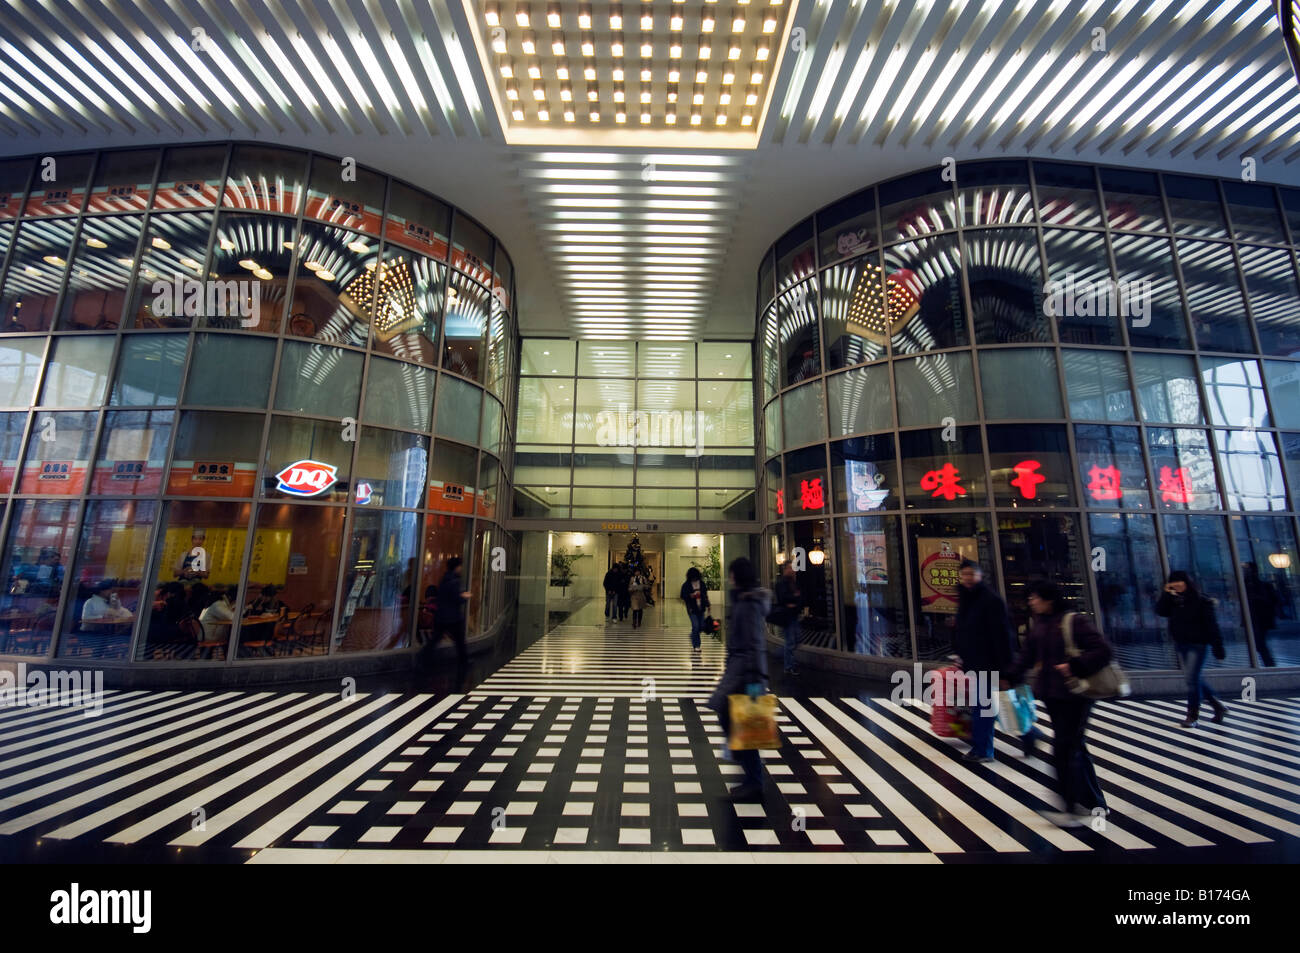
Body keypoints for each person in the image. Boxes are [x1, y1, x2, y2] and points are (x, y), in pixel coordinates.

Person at [1005, 581, 1111, 828]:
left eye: (1035, 597)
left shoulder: (1074, 621)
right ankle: (1094, 803)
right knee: (1075, 747)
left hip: (1076, 695)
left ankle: (1071, 807)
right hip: (1054, 695)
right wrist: (1010, 676)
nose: (1031, 601)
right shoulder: (1040, 625)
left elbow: (1103, 650)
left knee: (1065, 749)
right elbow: (1027, 656)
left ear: (1048, 600)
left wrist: (1074, 665)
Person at [707, 556, 771, 801]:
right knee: (737, 721)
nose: (729, 578)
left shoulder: (749, 605)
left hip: (747, 673)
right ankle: (747, 767)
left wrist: (756, 679)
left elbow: (753, 643)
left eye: (732, 573)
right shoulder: (745, 601)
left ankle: (752, 776)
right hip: (743, 671)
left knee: (743, 724)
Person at [953, 559, 1013, 764]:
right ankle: (1030, 733)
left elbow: (1002, 636)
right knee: (989, 706)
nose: (968, 578)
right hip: (974, 661)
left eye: (972, 574)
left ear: (980, 576)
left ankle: (983, 750)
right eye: (964, 574)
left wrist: (1005, 670)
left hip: (989, 663)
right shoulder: (965, 598)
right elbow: (963, 630)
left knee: (983, 706)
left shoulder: (990, 600)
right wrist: (960, 655)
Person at [1156, 570, 1227, 726]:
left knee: (1191, 679)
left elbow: (1212, 626)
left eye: (1179, 582)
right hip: (1181, 643)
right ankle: (1217, 706)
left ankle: (1192, 715)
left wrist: (1218, 648)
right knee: (1194, 678)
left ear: (1187, 582)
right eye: (1172, 582)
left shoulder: (1202, 601)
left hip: (1198, 644)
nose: (1176, 585)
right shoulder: (1174, 601)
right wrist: (1166, 594)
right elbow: (1160, 611)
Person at [421, 556, 471, 680]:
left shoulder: (445, 578)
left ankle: (422, 659)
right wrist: (464, 596)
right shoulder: (454, 581)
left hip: (441, 616)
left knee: (435, 640)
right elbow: (456, 599)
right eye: (460, 566)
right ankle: (463, 662)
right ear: (457, 567)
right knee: (459, 641)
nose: (462, 568)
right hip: (452, 617)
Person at [1242, 562, 1279, 668]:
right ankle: (1268, 663)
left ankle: (1269, 664)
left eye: (1247, 570)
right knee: (1258, 643)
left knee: (1259, 643)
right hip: (1256, 618)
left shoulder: (1260, 586)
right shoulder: (1247, 584)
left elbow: (1272, 600)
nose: (1245, 572)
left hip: (1259, 618)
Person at [773, 562, 804, 676]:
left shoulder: (792, 582)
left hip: (793, 614)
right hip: (787, 615)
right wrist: (794, 597)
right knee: (791, 641)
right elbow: (783, 598)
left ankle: (781, 654)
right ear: (785, 569)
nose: (792, 570)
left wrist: (795, 601)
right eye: (790, 568)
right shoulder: (782, 583)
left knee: (796, 639)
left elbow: (799, 596)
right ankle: (789, 666)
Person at [680, 567, 711, 655]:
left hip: (701, 608)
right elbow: (683, 595)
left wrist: (708, 604)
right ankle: (696, 645)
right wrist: (691, 595)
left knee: (701, 626)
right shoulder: (686, 585)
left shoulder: (702, 584)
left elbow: (705, 595)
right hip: (692, 609)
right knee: (696, 626)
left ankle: (693, 635)